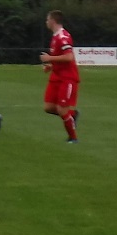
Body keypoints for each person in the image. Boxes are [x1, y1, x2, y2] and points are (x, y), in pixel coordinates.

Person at [39, 9, 80, 144]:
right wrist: (50, 65)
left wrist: (49, 58)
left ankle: (73, 138)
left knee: (62, 109)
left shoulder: (63, 37)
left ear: (53, 21)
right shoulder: (55, 37)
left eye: (47, 19)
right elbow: (61, 58)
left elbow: (69, 57)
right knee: (48, 107)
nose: (46, 22)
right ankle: (72, 115)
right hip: (56, 77)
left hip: (67, 78)